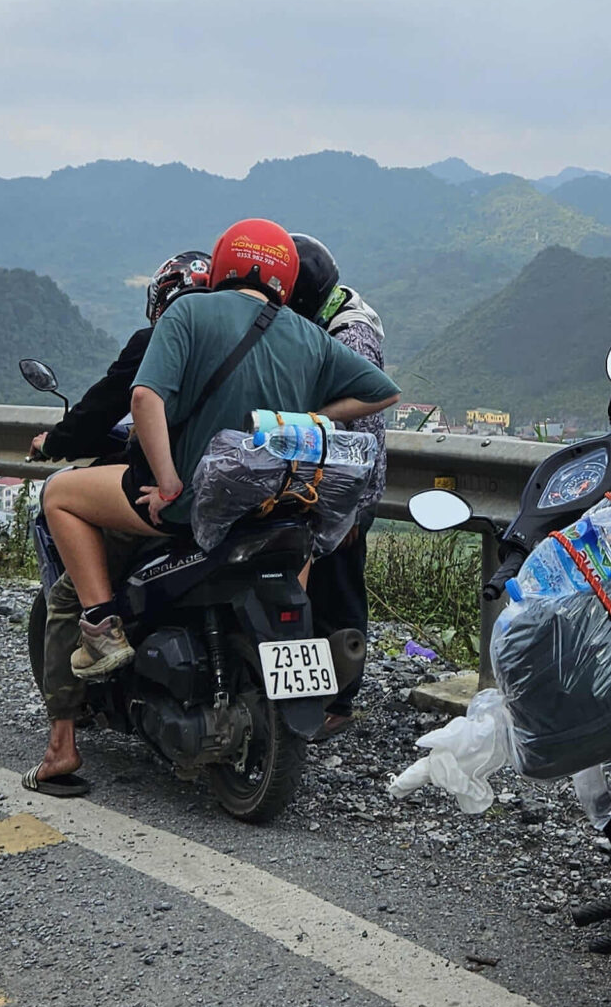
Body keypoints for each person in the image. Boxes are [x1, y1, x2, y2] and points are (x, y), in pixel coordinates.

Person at [37, 218, 398, 704]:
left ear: (224, 261)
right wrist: (311, 416)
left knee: (58, 493)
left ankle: (102, 627)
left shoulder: (188, 316)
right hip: (281, 504)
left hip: (197, 506)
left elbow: (144, 399)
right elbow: (383, 392)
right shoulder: (309, 336)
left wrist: (167, 482)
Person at [23, 251, 209, 795]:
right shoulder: (242, 338)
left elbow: (104, 405)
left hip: (163, 499)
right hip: (238, 500)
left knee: (64, 596)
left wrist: (54, 442)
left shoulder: (158, 341)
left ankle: (62, 745)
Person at [288, 231, 387, 730]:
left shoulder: (351, 335)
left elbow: (365, 429)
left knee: (337, 588)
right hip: (320, 473)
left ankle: (338, 702)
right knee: (310, 583)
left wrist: (354, 506)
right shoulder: (329, 314)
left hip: (348, 485)